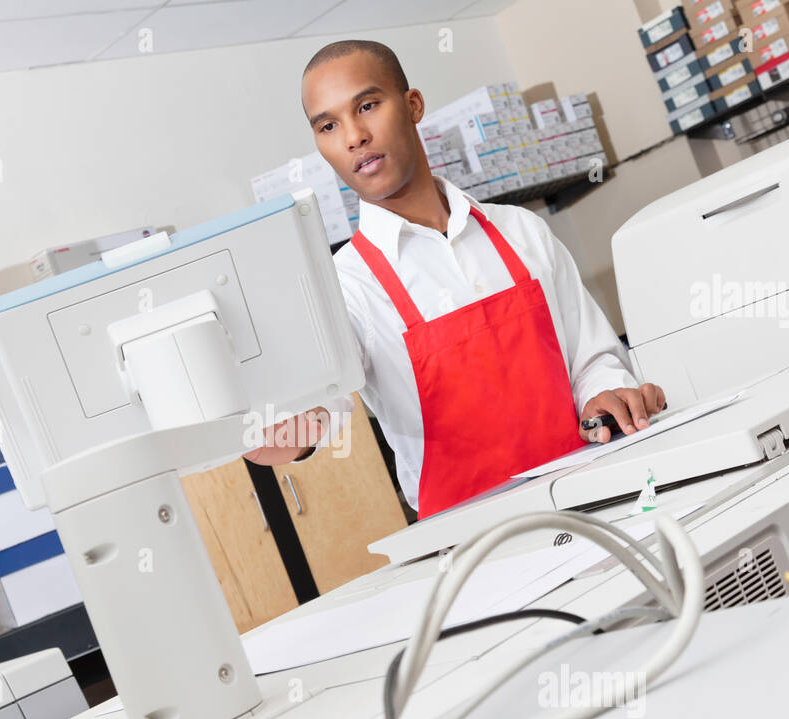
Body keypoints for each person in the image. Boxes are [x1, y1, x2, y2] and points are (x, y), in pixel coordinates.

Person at [244, 39, 666, 519]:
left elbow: (592, 358)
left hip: (600, 501)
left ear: (413, 105)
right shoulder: (345, 288)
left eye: (367, 105)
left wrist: (605, 393)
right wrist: (278, 431)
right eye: (328, 125)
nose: (354, 136)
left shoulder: (521, 231)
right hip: (473, 547)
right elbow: (321, 404)